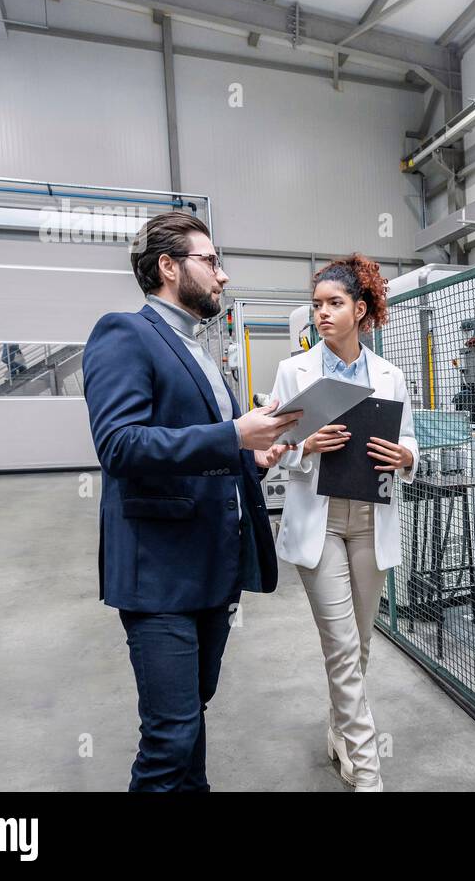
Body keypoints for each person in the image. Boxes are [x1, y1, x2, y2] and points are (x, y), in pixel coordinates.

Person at [82, 211, 301, 791]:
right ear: (168, 266)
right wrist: (233, 435)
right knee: (169, 737)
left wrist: (249, 456)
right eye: (211, 261)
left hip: (209, 568)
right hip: (159, 574)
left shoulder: (200, 350)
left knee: (191, 716)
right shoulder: (124, 333)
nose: (223, 276)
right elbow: (121, 445)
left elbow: (195, 446)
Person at [269, 254, 418, 792]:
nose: (323, 314)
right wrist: (305, 445)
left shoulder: (389, 376)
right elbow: (274, 449)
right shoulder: (295, 371)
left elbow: (409, 440)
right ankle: (369, 775)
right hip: (321, 521)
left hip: (371, 518)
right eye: (317, 305)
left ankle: (339, 731)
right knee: (340, 645)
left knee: (360, 644)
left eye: (334, 304)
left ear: (361, 309)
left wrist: (406, 459)